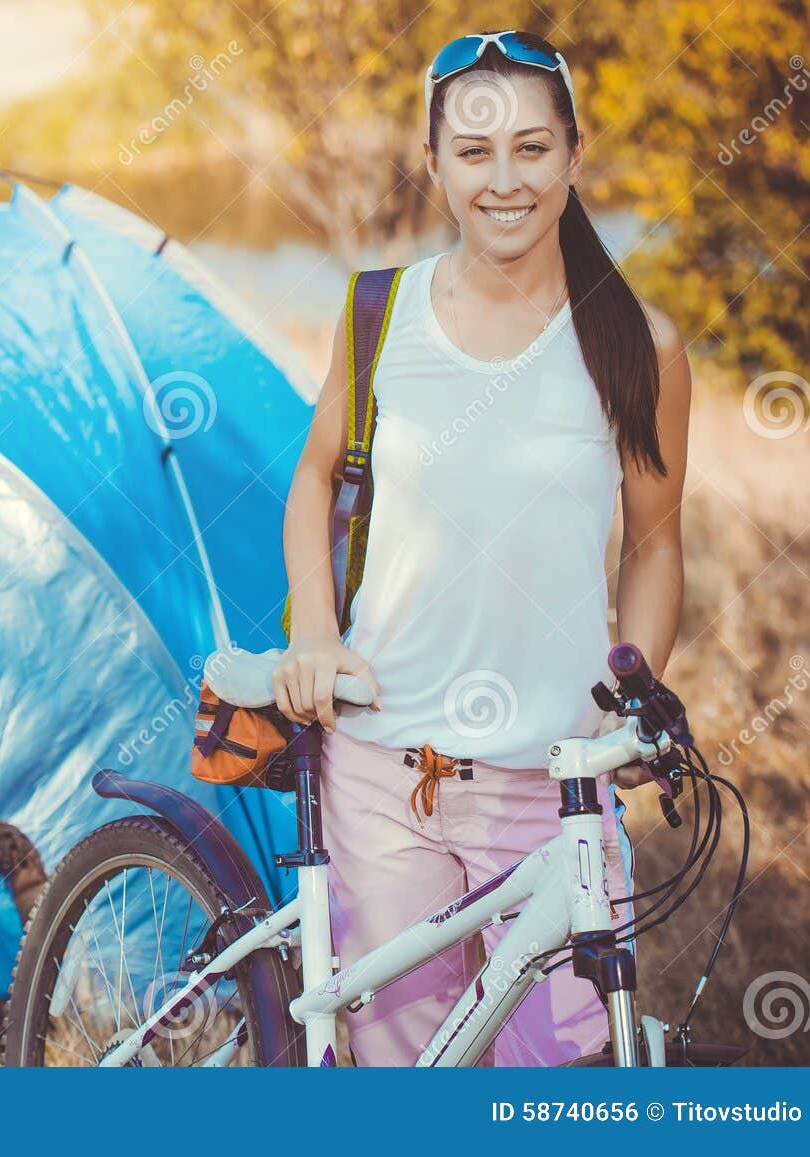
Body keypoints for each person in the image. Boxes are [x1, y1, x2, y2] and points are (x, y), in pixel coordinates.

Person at [272, 29, 692, 1066]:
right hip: (384, 773)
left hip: (553, 787)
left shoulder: (641, 346)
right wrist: (315, 632)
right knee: (410, 1091)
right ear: (433, 164)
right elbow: (315, 478)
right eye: (473, 152)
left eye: (532, 148)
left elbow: (653, 543)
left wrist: (633, 699)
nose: (504, 180)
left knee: (554, 1086)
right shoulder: (379, 314)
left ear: (574, 156)